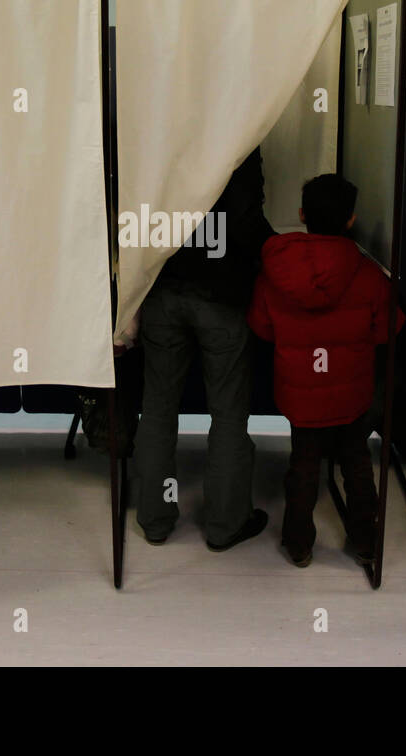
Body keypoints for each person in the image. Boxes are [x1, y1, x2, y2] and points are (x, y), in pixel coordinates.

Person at [247, 173, 400, 568]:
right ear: (351, 220)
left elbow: (261, 327)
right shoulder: (366, 274)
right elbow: (389, 328)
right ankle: (366, 539)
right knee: (356, 462)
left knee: (303, 465)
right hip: (351, 395)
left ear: (301, 214)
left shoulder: (275, 272)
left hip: (300, 395)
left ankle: (299, 543)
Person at [133, 148, 274, 551]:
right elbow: (247, 224)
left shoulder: (165, 133)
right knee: (228, 415)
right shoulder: (240, 141)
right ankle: (225, 525)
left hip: (163, 288)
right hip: (222, 298)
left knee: (157, 408)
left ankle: (154, 520)